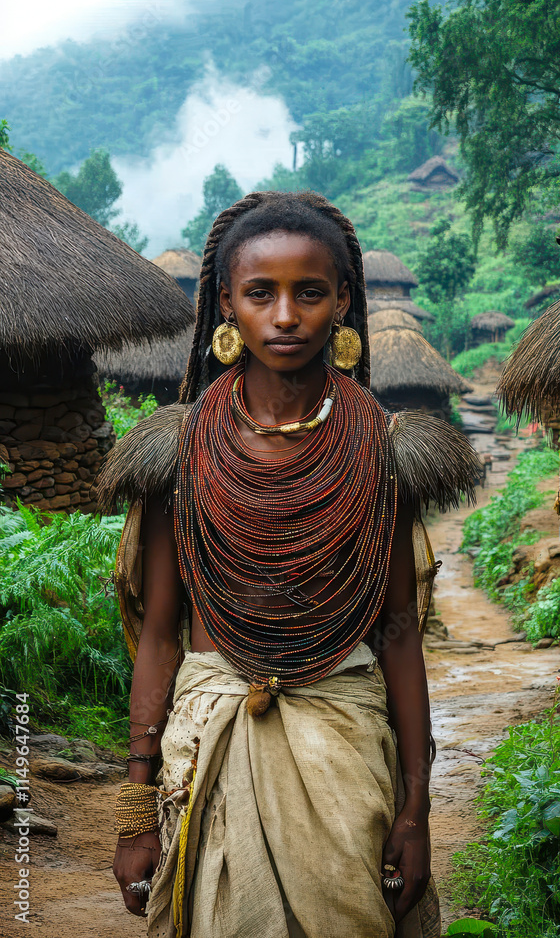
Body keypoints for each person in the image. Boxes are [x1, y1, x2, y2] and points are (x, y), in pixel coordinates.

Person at [99, 191, 480, 938]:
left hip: (343, 741)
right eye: (259, 293)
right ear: (226, 304)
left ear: (344, 301)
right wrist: (137, 809)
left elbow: (401, 634)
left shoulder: (385, 449)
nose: (284, 316)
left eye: (309, 292)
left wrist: (415, 810)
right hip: (209, 739)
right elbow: (161, 635)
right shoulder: (179, 451)